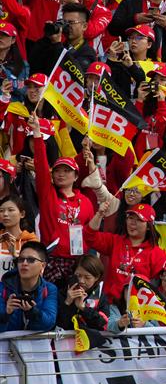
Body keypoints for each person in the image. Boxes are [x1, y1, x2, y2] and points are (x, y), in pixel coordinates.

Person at [30, 115, 94, 286]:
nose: (61, 174)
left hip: (77, 262)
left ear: (76, 176)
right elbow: (41, 166)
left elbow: (90, 234)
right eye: (57, 171)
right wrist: (37, 134)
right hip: (51, 259)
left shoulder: (86, 202)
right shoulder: (48, 194)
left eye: (67, 171)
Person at [0, 241, 57, 332]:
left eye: (31, 260)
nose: (24, 263)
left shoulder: (49, 289)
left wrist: (32, 312)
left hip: (35, 345)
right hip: (5, 344)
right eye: (21, 259)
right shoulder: (3, 287)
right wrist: (6, 313)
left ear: (43, 265)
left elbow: (49, 323)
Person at [56, 254, 109, 332]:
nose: (81, 281)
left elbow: (102, 324)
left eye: (87, 277)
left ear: (97, 277)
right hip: (65, 342)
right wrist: (67, 303)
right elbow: (59, 325)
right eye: (78, 275)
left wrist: (83, 308)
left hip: (91, 342)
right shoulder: (64, 292)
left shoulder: (100, 296)